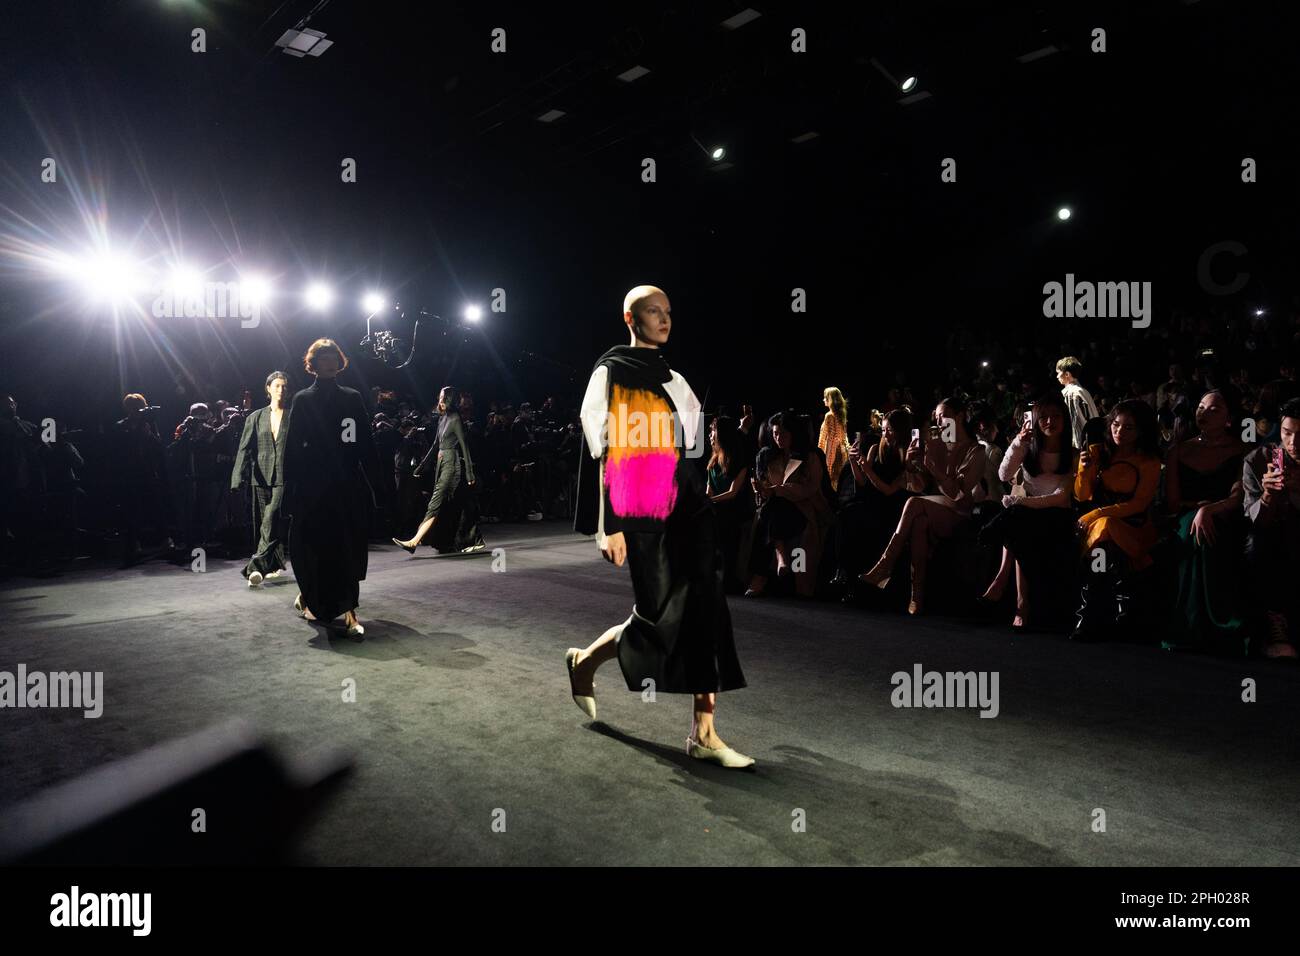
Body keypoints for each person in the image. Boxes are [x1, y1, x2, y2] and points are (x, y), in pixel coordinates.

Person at [566, 284, 752, 768]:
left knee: (708, 611)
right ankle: (584, 662)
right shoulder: (608, 373)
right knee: (654, 618)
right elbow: (598, 450)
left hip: (689, 510)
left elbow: (693, 448)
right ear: (631, 317)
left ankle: (705, 734)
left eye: (669, 311)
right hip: (639, 510)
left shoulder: (676, 379)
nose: (665, 319)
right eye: (654, 311)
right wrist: (608, 526)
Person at [282, 339, 381, 638]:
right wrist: (290, 488)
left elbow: (363, 443)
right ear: (312, 364)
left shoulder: (352, 398)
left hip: (345, 485)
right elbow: (293, 447)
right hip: (312, 486)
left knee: (347, 547)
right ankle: (313, 598)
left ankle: (350, 611)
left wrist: (377, 485)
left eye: (333, 357)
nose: (329, 362)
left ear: (340, 362)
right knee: (311, 546)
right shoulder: (302, 399)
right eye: (323, 357)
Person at [860, 397, 984, 614]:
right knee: (919, 521)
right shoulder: (936, 445)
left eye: (943, 416)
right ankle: (916, 597)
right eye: (935, 417)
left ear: (960, 416)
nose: (938, 421)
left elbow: (958, 494)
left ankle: (885, 565)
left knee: (913, 504)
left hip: (961, 511)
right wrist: (912, 466)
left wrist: (935, 470)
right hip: (933, 508)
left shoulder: (976, 450)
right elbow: (919, 487)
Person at [977, 394, 1076, 630]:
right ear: (1034, 420)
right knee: (1019, 524)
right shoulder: (1028, 447)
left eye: (1055, 416)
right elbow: (1003, 475)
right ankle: (1020, 604)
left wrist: (1020, 504)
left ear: (1065, 420)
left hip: (1057, 514)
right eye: (1043, 417)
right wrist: (1018, 443)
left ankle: (1003, 585)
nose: (1049, 421)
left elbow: (1060, 497)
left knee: (1017, 519)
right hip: (1026, 514)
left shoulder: (1072, 454)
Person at [1071, 399, 1162, 640]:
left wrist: (1098, 514)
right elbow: (1081, 494)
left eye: (1128, 427)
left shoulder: (1149, 461)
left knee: (1106, 529)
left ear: (1141, 430)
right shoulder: (1099, 452)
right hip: (1099, 527)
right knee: (1105, 544)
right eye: (1116, 425)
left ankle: (1090, 614)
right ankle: (1116, 612)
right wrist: (1083, 469)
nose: (1119, 431)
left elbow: (1138, 504)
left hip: (1133, 524)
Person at [745, 410, 830, 598]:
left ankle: (761, 576)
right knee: (771, 510)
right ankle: (780, 556)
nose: (778, 438)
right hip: (775, 510)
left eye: (783, 433)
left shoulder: (810, 457)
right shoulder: (769, 457)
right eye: (775, 433)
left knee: (771, 511)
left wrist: (777, 490)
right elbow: (767, 490)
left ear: (794, 434)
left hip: (802, 509)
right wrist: (761, 489)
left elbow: (810, 488)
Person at [392, 386, 485, 554]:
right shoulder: (442, 419)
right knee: (450, 504)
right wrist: (422, 465)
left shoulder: (456, 418)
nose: (444, 401)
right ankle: (462, 539)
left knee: (435, 503)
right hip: (441, 462)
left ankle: (414, 542)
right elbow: (435, 445)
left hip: (452, 462)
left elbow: (464, 446)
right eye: (443, 397)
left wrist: (470, 471)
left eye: (448, 398)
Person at [1241, 397, 1300, 658]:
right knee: (1259, 541)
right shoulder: (1259, 459)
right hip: (1273, 533)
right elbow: (1254, 521)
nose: (1294, 443)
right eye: (1288, 434)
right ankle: (1274, 626)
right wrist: (1268, 495)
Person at [832, 406, 912, 589]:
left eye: (890, 430)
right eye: (883, 430)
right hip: (870, 500)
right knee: (844, 515)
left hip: (891, 505)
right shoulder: (876, 448)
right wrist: (853, 462)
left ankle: (854, 576)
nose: (886, 434)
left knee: (857, 519)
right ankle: (844, 571)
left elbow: (889, 490)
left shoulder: (907, 454)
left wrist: (867, 470)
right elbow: (862, 482)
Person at [231, 371, 290, 588]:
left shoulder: (294, 416)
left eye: (284, 386)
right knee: (262, 522)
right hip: (260, 477)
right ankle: (273, 564)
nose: (281, 390)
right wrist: (237, 478)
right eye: (276, 386)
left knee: (270, 520)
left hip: (285, 476)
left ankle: (254, 568)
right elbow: (244, 449)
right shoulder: (255, 417)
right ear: (268, 388)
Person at [705, 415, 752, 593]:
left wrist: (710, 501)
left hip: (734, 509)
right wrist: (706, 501)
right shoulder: (713, 462)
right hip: (718, 507)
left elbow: (733, 493)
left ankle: (727, 578)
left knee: (722, 522)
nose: (710, 435)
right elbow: (709, 490)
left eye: (712, 431)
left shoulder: (738, 460)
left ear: (721, 434)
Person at [1056, 356, 1100, 452]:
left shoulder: (1072, 394)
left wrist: (1077, 447)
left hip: (1082, 445)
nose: (1057, 376)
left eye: (1058, 373)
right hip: (1091, 441)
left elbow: (1076, 423)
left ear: (1067, 374)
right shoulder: (1082, 391)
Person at [818, 387, 850, 492]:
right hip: (841, 454)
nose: (823, 400)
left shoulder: (830, 416)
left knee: (833, 484)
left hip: (833, 456)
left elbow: (831, 441)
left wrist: (827, 463)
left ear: (830, 399)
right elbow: (844, 438)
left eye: (825, 398)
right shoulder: (841, 415)